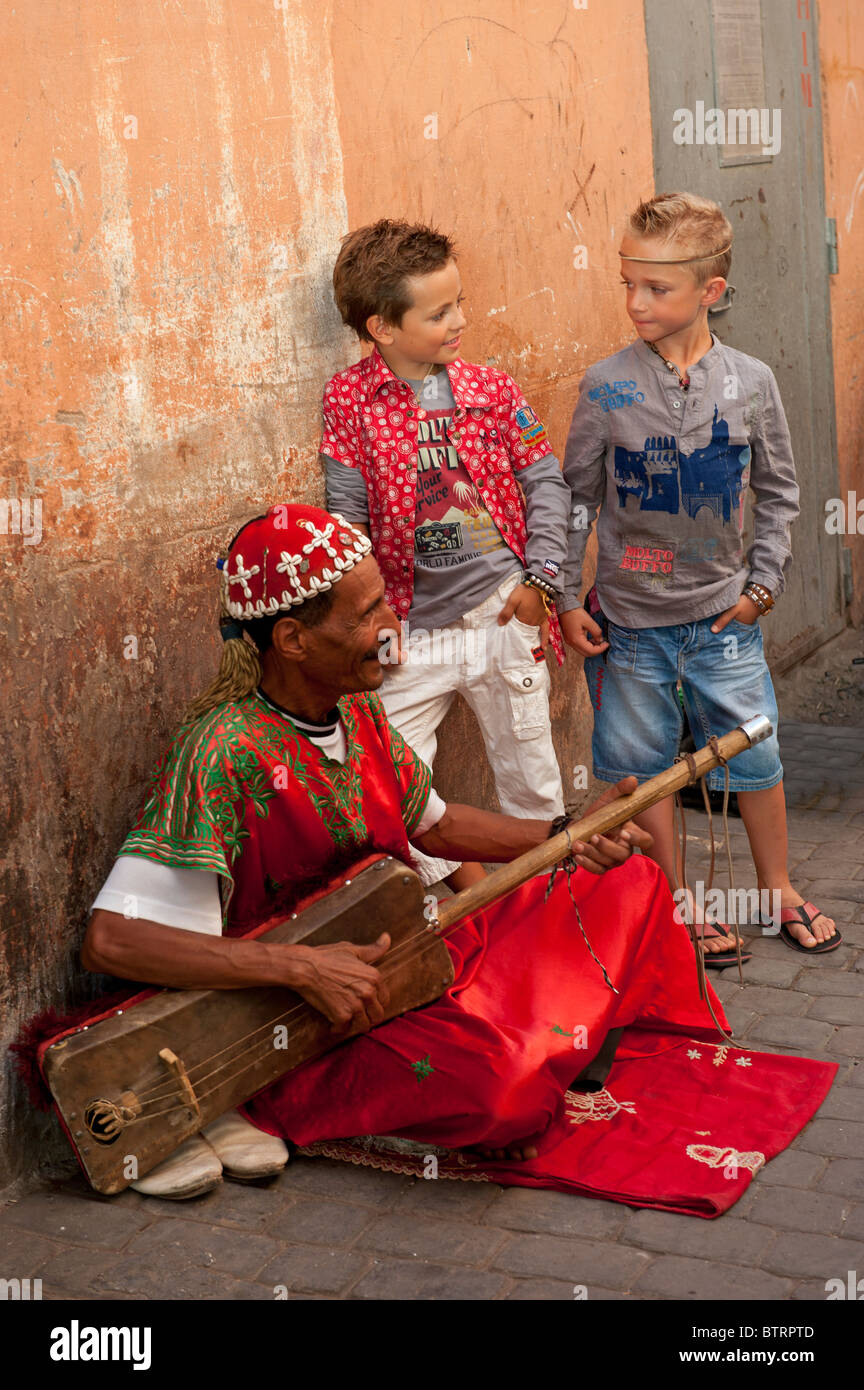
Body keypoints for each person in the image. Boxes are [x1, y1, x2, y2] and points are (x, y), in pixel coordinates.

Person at [81, 504, 727, 1202]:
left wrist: (565, 836)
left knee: (625, 879)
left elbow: (438, 827)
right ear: (293, 639)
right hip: (318, 1021)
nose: (390, 626)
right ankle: (511, 1047)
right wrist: (298, 966)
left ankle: (534, 1033)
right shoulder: (222, 751)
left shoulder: (358, 712)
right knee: (503, 1092)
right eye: (365, 616)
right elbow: (112, 942)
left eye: (385, 600)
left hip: (421, 960)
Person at [559, 192, 841, 965]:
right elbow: (574, 498)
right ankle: (675, 904)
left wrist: (763, 588)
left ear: (710, 291)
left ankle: (777, 889)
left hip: (725, 625)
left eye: (657, 288)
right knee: (642, 773)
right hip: (628, 631)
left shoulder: (750, 382)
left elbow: (780, 491)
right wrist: (560, 599)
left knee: (756, 757)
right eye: (627, 283)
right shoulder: (605, 386)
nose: (635, 302)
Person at [321, 218, 571, 893]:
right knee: (388, 778)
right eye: (439, 312)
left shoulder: (491, 390)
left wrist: (538, 586)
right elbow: (347, 520)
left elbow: (545, 482)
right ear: (382, 327)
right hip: (410, 626)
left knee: (531, 778)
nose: (460, 320)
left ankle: (552, 914)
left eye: (459, 301)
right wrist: (368, 619)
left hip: (502, 613)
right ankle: (473, 897)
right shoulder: (349, 402)